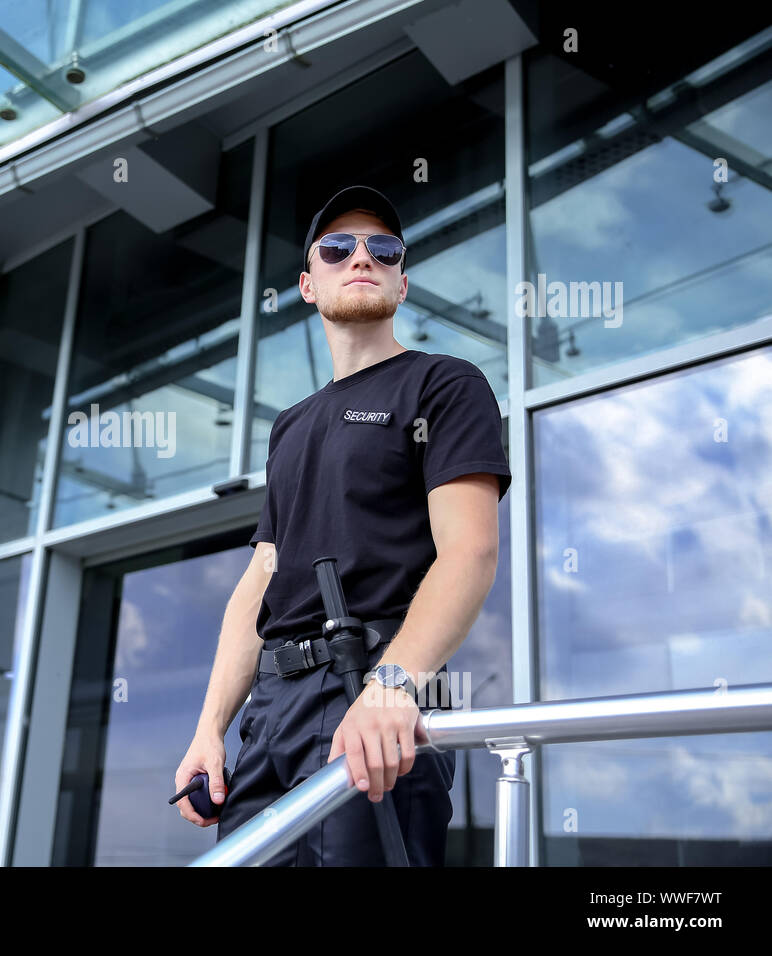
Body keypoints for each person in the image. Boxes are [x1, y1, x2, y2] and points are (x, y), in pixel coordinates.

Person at [174, 185, 512, 866]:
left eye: (382, 249)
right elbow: (261, 579)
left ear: (402, 281)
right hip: (270, 712)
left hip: (370, 690)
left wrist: (393, 687)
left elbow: (469, 551)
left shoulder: (444, 386)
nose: (361, 257)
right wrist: (211, 727)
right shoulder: (290, 425)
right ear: (307, 283)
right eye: (337, 248)